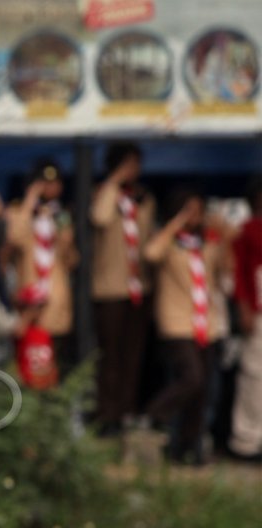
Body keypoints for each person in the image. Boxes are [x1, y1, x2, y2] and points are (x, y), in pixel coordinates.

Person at [143, 190, 229, 464]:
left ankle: (186, 447)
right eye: (188, 210)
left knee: (202, 390)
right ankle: (154, 414)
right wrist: (176, 223)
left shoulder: (206, 243)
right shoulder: (169, 241)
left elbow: (225, 272)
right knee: (191, 377)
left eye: (198, 210)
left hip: (207, 323)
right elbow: (151, 253)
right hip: (177, 322)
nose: (195, 215)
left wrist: (223, 236)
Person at [90, 141, 156, 436]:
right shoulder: (102, 194)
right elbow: (100, 217)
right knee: (110, 356)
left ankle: (127, 413)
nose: (134, 170)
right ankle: (107, 415)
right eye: (127, 164)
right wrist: (114, 181)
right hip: (110, 288)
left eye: (136, 164)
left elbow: (147, 241)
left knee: (134, 355)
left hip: (138, 288)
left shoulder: (144, 198)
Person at [6, 159, 80, 371]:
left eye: (55, 183)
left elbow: (72, 261)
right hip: (29, 302)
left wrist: (65, 240)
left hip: (55, 299)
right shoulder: (18, 211)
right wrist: (30, 200)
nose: (50, 188)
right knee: (28, 361)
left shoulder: (63, 215)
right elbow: (15, 237)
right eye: (44, 183)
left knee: (54, 361)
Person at [229, 178, 262, 461]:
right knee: (254, 376)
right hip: (258, 312)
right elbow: (239, 274)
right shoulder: (247, 231)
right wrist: (244, 308)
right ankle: (246, 441)